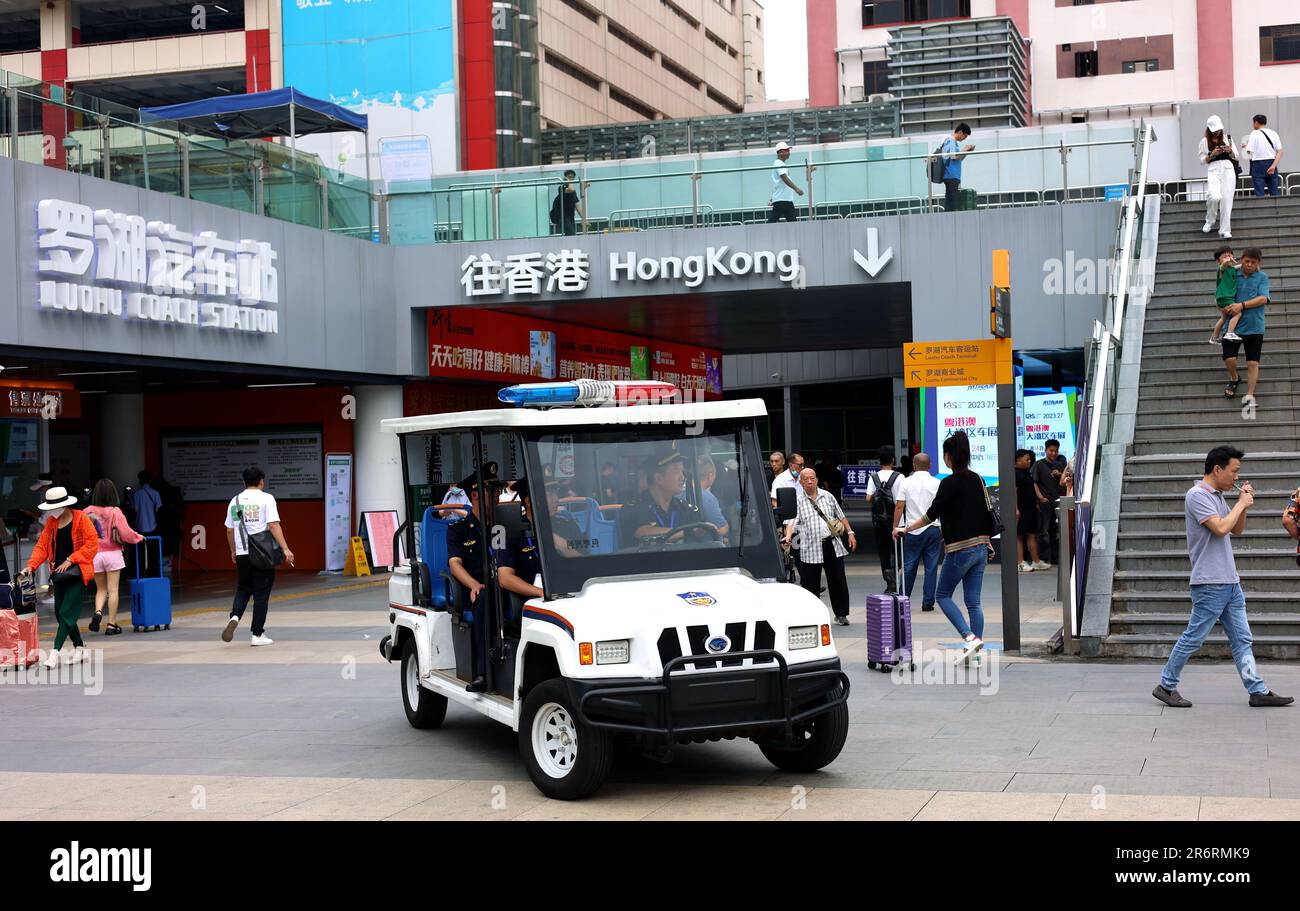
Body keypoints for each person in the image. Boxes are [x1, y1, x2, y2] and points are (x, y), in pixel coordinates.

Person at [1152, 446, 1292, 708]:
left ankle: (1257, 690)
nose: (1236, 478)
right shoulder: (1197, 495)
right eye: (1234, 471)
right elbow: (1219, 528)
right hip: (1210, 581)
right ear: (1217, 469)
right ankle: (1166, 685)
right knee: (1194, 637)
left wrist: (1244, 505)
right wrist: (1239, 503)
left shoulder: (1218, 495)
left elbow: (1236, 529)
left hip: (1229, 580)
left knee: (1242, 638)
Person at [894, 432, 992, 661]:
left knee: (943, 595)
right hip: (981, 548)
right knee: (974, 602)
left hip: (960, 549)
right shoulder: (978, 479)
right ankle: (975, 655)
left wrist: (906, 529)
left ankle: (970, 638)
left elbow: (931, 515)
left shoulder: (949, 483)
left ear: (948, 456)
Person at [20, 486, 99, 668]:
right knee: (61, 614)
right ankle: (80, 648)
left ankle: (55, 653)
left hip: (77, 573)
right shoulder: (51, 523)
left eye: (54, 508)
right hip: (59, 576)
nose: (52, 512)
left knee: (65, 613)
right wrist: (30, 566)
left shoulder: (81, 519)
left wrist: (71, 559)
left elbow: (92, 544)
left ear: (64, 505)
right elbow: (41, 546)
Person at [221, 466, 295, 647]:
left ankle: (235, 616)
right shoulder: (266, 498)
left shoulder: (235, 501)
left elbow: (230, 530)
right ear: (261, 481)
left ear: (243, 482)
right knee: (261, 595)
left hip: (242, 553)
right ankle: (257, 634)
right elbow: (273, 525)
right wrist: (285, 548)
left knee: (243, 588)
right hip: (262, 553)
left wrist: (233, 551)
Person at [784, 468, 856, 625]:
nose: (809, 481)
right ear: (801, 482)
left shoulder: (828, 496)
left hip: (831, 544)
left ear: (816, 480)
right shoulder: (797, 500)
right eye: (806, 479)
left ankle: (841, 614)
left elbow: (840, 516)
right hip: (810, 547)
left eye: (812, 478)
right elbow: (790, 521)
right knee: (810, 584)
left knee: (838, 580)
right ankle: (813, 615)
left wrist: (850, 533)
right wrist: (788, 536)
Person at [447, 470, 490, 692]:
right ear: (475, 495)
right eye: (490, 490)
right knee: (483, 601)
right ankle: (483, 672)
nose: (495, 495)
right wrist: (473, 584)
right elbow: (455, 564)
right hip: (475, 589)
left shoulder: (505, 525)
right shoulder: (459, 530)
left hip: (502, 585)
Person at [84, 479, 145, 636]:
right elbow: (126, 533)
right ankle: (111, 624)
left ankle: (98, 612)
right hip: (113, 554)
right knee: (113, 590)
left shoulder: (87, 511)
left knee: (101, 589)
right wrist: (139, 537)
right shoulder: (115, 511)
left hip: (95, 555)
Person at [618, 450, 709, 546]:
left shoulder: (685, 508)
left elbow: (699, 530)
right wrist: (687, 532)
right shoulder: (633, 508)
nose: (682, 477)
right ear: (658, 478)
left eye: (682, 471)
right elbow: (643, 533)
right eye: (676, 471)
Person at [893, 451, 942, 613]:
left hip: (912, 530)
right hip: (933, 529)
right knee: (931, 567)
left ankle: (903, 599)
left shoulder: (906, 482)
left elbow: (899, 505)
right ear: (930, 465)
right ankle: (928, 602)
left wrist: (895, 527)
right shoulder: (937, 483)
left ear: (914, 465)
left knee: (909, 566)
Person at [1219, 247, 1269, 405]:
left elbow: (1263, 299)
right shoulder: (1233, 274)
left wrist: (1241, 305)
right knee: (1229, 358)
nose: (1249, 265)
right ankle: (1234, 378)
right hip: (1233, 326)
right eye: (1247, 261)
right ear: (1241, 260)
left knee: (1253, 363)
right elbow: (1221, 288)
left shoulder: (1262, 277)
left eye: (1253, 262)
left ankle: (1249, 394)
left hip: (1255, 327)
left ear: (1258, 263)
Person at [866, 445, 902, 591]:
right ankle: (895, 574)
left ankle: (888, 579)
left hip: (879, 522)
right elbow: (901, 501)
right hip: (897, 522)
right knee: (898, 551)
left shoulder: (873, 477)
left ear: (879, 460)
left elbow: (868, 498)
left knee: (884, 552)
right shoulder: (899, 477)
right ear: (893, 459)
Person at [1199, 115, 1239, 239]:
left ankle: (1225, 229)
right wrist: (1212, 154)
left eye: (1219, 130)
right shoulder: (1204, 141)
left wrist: (1229, 151)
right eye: (1215, 130)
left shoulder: (1228, 138)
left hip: (1228, 169)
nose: (1217, 132)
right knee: (1214, 196)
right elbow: (1202, 160)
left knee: (1227, 200)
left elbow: (1236, 156)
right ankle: (1210, 220)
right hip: (1213, 169)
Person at [1032, 439, 1068, 566]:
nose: (1053, 453)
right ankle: (1043, 557)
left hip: (1058, 501)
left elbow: (1065, 482)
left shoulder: (1060, 465)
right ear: (1046, 450)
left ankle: (1055, 558)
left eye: (1056, 451)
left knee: (1055, 531)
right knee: (1043, 531)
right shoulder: (1038, 464)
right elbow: (1034, 482)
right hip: (1045, 502)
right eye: (1051, 451)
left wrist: (1060, 476)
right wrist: (1040, 497)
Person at [1014, 449, 1045, 572]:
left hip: (1031, 508)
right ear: (1018, 460)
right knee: (1019, 536)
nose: (1029, 461)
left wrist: (1037, 501)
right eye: (1026, 459)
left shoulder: (1026, 473)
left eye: (1029, 459)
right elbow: (1014, 492)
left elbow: (1031, 488)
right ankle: (1020, 562)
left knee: (1032, 534)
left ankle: (1036, 561)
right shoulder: (1015, 474)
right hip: (1021, 509)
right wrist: (1016, 509)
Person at [1241, 114, 1283, 198]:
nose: (1252, 125)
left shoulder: (1254, 133)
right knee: (1274, 192)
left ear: (1256, 122)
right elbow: (1280, 151)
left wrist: (1245, 146)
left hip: (1258, 165)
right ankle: (1277, 210)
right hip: (1272, 163)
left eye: (1253, 123)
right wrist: (1273, 166)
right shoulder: (1273, 133)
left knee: (1259, 194)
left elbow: (1249, 152)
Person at [1207, 245, 1243, 345]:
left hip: (1222, 298)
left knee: (1223, 318)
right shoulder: (1221, 269)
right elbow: (1224, 266)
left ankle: (1214, 337)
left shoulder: (1231, 269)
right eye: (1224, 256)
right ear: (1218, 261)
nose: (1228, 258)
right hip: (1225, 297)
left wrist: (1243, 263)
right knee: (1238, 313)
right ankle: (1230, 333)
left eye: (1230, 255)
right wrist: (1227, 261)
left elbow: (1236, 267)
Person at [939, 122, 974, 213]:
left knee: (950, 202)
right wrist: (964, 149)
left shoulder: (951, 141)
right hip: (952, 176)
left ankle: (948, 220)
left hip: (952, 176)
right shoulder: (950, 141)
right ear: (960, 132)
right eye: (965, 136)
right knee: (954, 203)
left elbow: (958, 159)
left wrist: (966, 151)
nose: (964, 139)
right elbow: (953, 156)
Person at [695, 455, 730, 540]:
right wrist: (727, 526)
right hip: (707, 548)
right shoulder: (707, 498)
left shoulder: (678, 493)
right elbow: (721, 529)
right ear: (710, 475)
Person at [768, 141, 804, 222]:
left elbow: (778, 183)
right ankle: (762, 233)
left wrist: (772, 198)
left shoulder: (780, 164)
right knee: (773, 221)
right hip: (782, 200)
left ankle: (762, 233)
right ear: (780, 152)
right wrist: (796, 189)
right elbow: (785, 179)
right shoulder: (778, 163)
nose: (789, 152)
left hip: (784, 199)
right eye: (786, 150)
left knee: (774, 221)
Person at [551, 169, 585, 236]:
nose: (570, 178)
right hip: (562, 217)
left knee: (571, 234)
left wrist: (583, 218)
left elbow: (577, 205)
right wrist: (568, 181)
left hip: (570, 217)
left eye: (572, 177)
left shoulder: (573, 192)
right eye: (569, 176)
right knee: (571, 234)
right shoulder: (562, 187)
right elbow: (570, 189)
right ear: (565, 177)